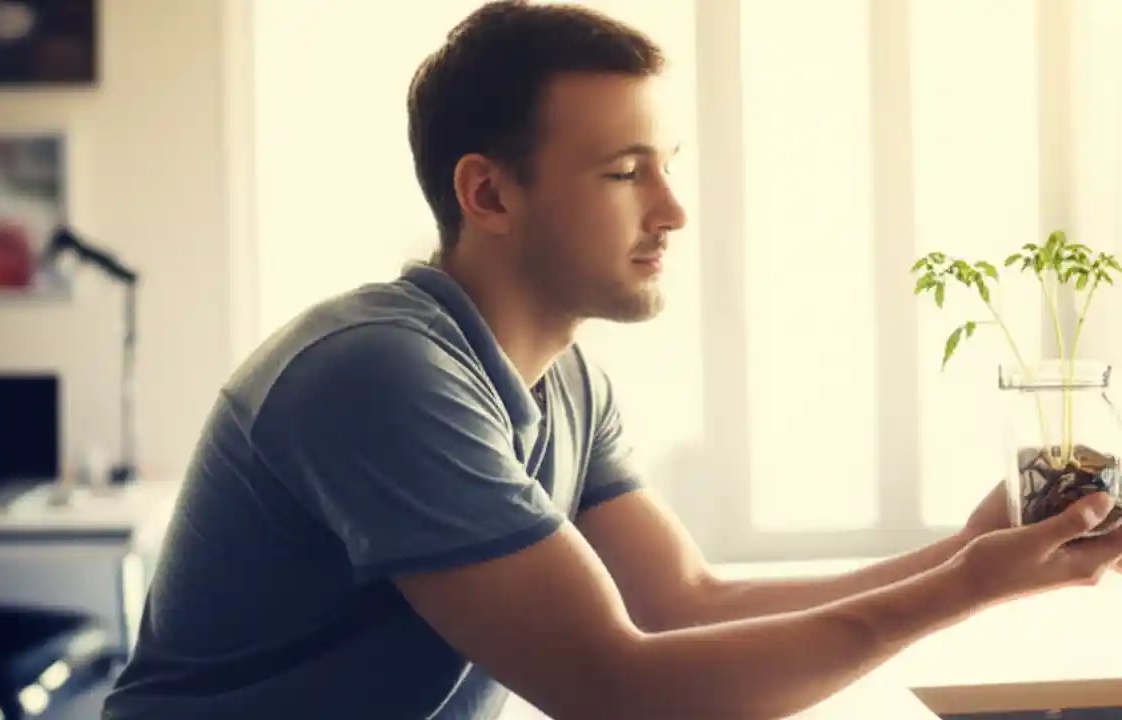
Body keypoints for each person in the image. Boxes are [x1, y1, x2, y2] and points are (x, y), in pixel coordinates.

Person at [102, 2, 1122, 719]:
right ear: (489, 195)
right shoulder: (379, 375)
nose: (672, 211)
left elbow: (684, 605)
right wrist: (961, 592)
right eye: (624, 173)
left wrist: (964, 552)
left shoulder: (564, 382)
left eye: (665, 168)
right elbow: (615, 690)